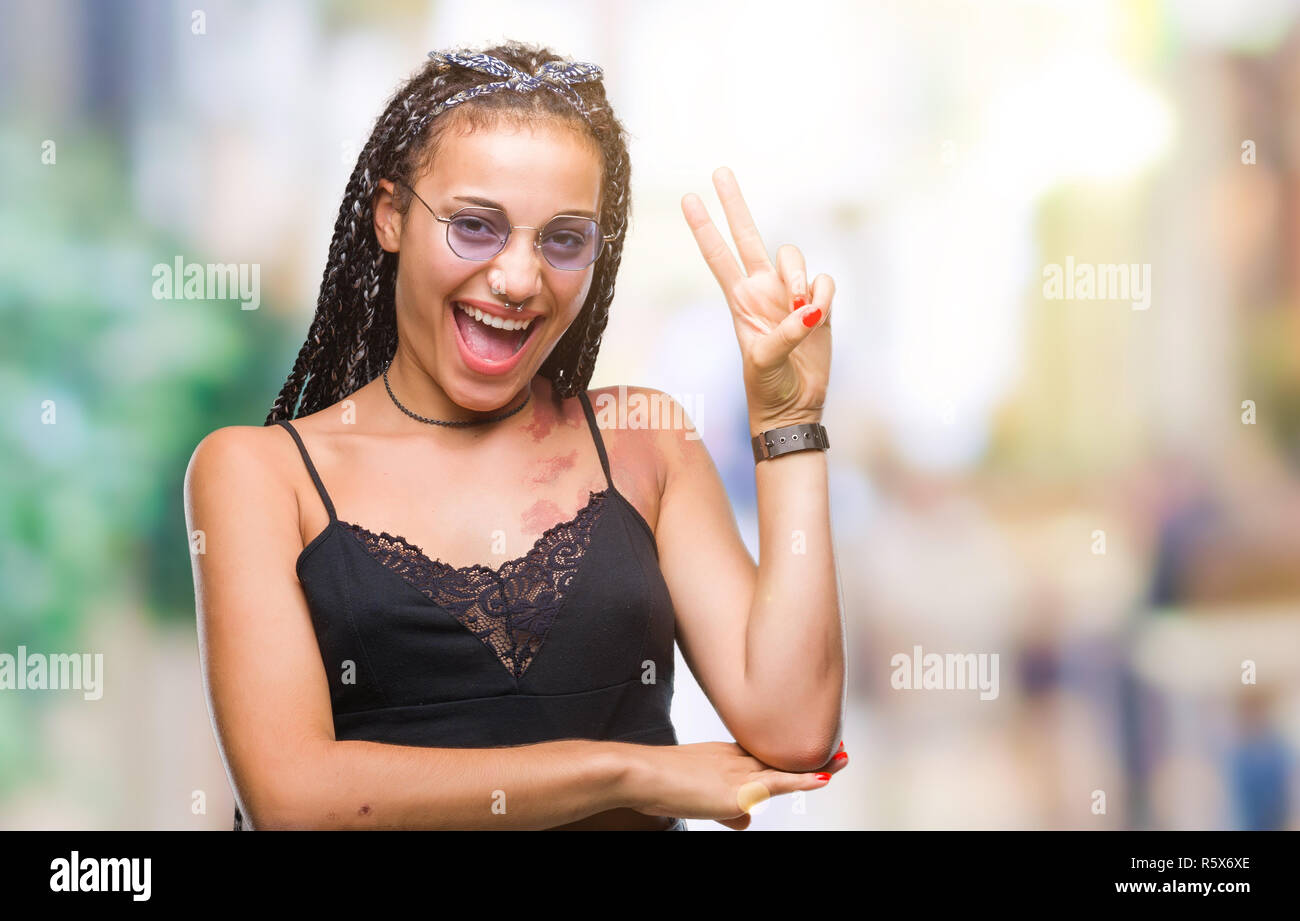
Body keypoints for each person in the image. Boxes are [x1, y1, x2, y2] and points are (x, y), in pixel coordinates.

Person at [184, 39, 847, 830]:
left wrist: (788, 420)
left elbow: (796, 729)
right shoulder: (258, 474)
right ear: (390, 215)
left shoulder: (645, 439)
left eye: (564, 239)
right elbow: (295, 798)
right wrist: (628, 771)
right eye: (475, 226)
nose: (521, 278)